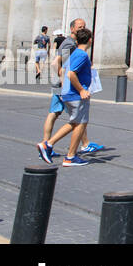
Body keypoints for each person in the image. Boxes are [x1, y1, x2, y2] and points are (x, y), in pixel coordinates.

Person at [38, 19, 97, 162]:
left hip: (68, 91)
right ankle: (66, 154)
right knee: (77, 122)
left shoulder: (75, 50)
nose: (81, 28)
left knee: (75, 122)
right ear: (90, 40)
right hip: (73, 93)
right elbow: (68, 72)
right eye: (79, 26)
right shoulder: (77, 51)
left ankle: (52, 145)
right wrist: (80, 89)